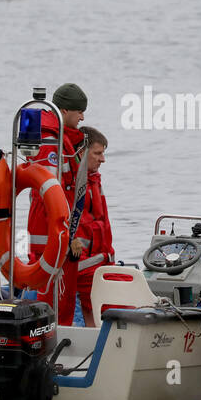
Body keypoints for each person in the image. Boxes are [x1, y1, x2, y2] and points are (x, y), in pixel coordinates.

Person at [27, 83, 90, 325]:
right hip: (52, 232)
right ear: (64, 112)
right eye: (79, 111)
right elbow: (53, 194)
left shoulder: (56, 138)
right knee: (55, 300)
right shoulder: (51, 142)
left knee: (57, 299)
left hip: (50, 230)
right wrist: (65, 234)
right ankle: (53, 346)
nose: (82, 117)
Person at [73, 126, 114, 326]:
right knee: (118, 303)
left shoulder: (94, 181)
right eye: (98, 153)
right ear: (81, 153)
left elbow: (103, 224)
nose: (102, 159)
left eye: (103, 153)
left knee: (95, 310)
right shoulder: (73, 184)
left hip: (98, 261)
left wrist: (108, 258)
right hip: (83, 265)